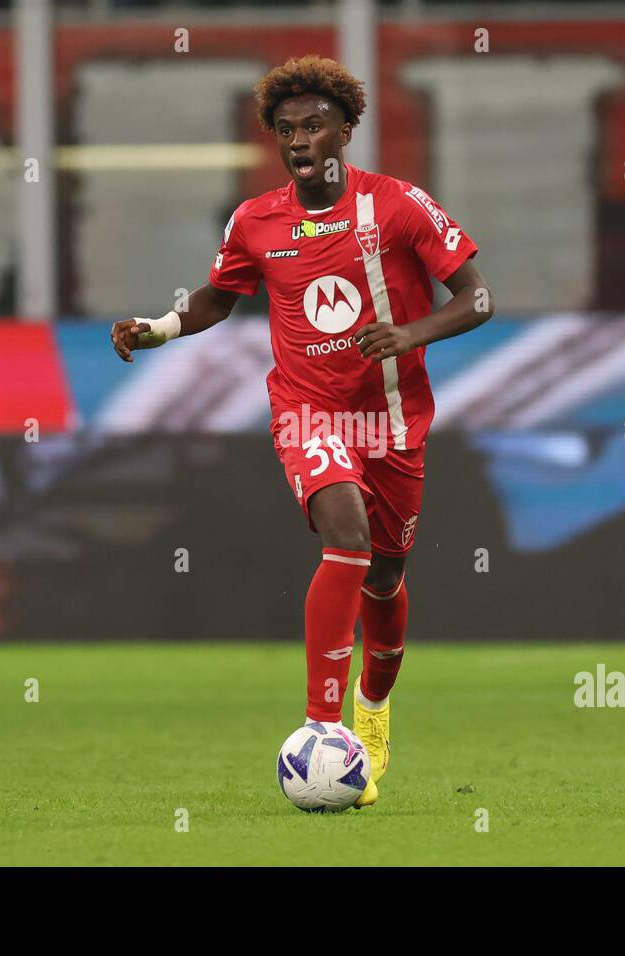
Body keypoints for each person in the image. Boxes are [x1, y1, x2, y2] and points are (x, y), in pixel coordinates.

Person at [111, 54, 494, 807]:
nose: (299, 140)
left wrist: (411, 334)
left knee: (385, 575)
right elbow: (219, 298)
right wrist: (157, 327)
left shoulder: (399, 206)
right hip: (308, 412)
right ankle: (323, 728)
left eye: (314, 125)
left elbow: (478, 300)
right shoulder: (256, 221)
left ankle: (372, 713)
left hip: (393, 421)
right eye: (285, 130)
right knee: (344, 533)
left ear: (346, 130)